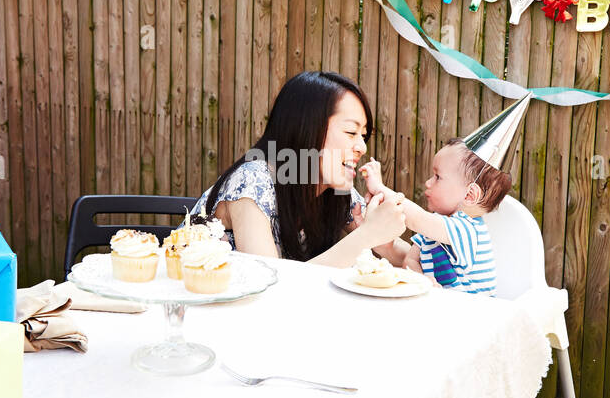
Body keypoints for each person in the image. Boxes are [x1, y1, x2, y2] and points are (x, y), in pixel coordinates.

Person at [190, 71, 406, 267]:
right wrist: (366, 237)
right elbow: (269, 289)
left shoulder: (335, 189)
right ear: (307, 129)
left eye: (364, 135)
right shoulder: (252, 181)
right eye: (351, 132)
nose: (362, 147)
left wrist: (385, 243)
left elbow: (401, 253)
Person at [357, 137, 512, 296]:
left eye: (438, 177)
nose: (428, 182)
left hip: (475, 314)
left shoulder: (467, 230)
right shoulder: (433, 229)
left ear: (470, 195)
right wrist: (421, 279)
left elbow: (418, 219)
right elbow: (410, 261)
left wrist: (380, 189)